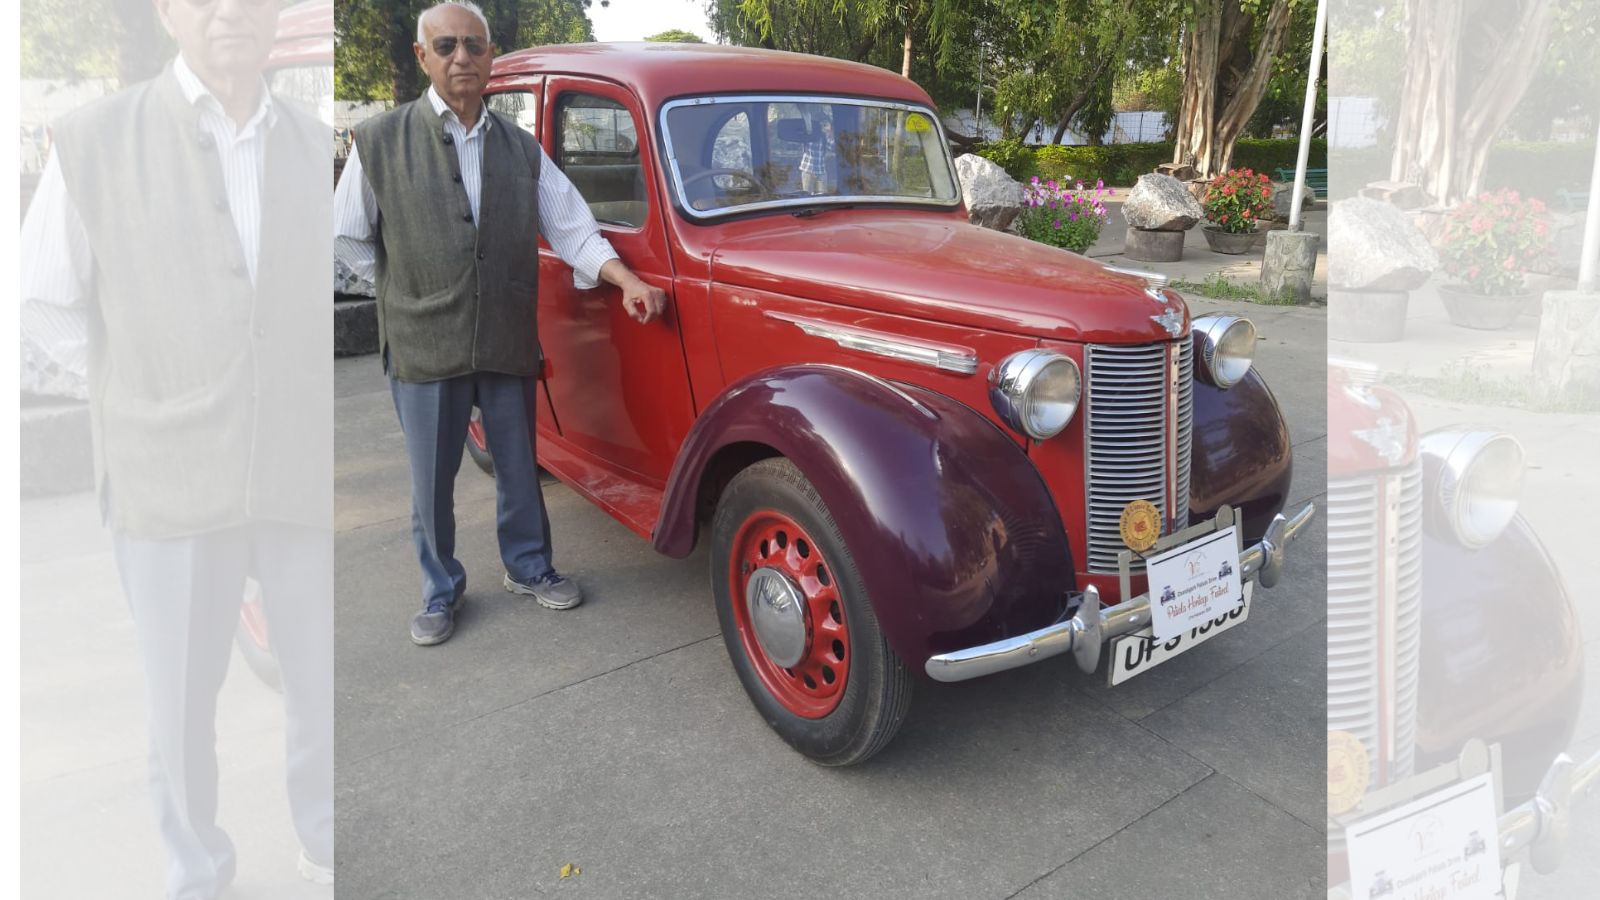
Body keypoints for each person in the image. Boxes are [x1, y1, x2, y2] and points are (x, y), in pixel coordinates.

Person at [20, 0, 334, 897]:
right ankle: (198, 874)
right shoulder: (94, 141)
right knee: (181, 705)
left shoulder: (313, 146)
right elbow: (40, 300)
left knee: (318, 685)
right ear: (168, 11)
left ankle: (324, 847)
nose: (229, 10)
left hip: (295, 470)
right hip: (166, 478)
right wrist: (134, 392)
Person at [333, 1, 667, 647]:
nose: (463, 57)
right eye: (449, 45)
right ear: (423, 56)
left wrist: (626, 279)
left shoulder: (521, 147)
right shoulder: (379, 141)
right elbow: (345, 237)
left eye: (476, 46)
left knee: (519, 464)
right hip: (422, 342)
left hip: (507, 335)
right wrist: (400, 293)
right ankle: (440, 591)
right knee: (431, 482)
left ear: (491, 56)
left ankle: (529, 568)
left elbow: (571, 226)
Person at [799, 117, 836, 194]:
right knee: (807, 197)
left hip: (821, 171)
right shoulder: (807, 134)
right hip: (807, 170)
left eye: (823, 124)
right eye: (818, 125)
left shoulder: (824, 136)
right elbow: (800, 139)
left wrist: (829, 132)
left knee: (822, 198)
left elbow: (833, 147)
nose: (821, 126)